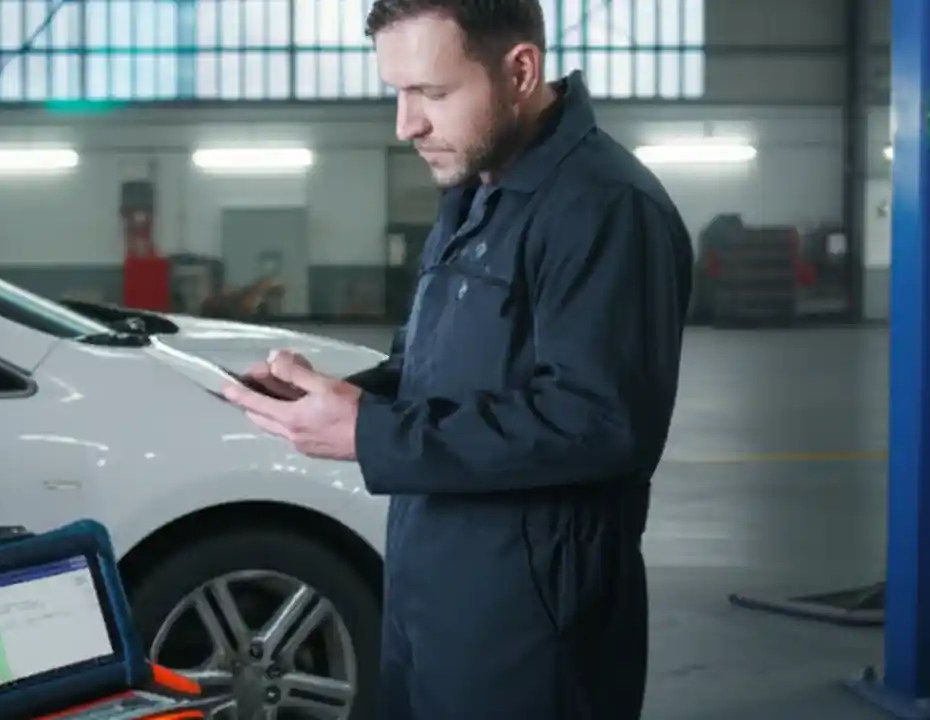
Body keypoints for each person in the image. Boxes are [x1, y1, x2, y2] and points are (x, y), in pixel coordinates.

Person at [221, 0, 694, 717]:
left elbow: (601, 423)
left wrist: (369, 435)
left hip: (531, 627)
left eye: (432, 94)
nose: (406, 124)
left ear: (521, 71)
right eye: (399, 93)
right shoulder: (476, 193)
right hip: (430, 590)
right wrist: (335, 397)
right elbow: (427, 370)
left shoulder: (605, 208)